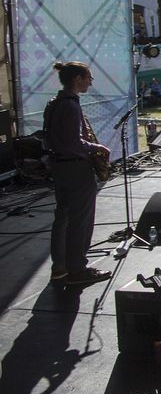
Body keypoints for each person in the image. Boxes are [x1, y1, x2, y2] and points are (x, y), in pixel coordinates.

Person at [43, 62, 112, 286]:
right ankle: (77, 270)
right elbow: (73, 142)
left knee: (62, 218)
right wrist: (97, 148)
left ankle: (60, 268)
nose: (91, 82)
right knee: (80, 221)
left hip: (60, 167)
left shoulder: (54, 103)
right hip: (75, 168)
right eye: (88, 77)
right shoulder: (71, 106)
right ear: (77, 79)